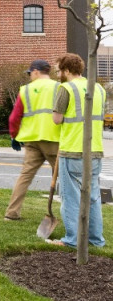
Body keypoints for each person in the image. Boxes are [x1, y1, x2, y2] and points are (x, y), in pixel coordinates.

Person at [48, 53, 106, 247]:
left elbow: (57, 119)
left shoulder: (65, 89)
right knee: (93, 196)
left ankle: (72, 240)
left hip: (72, 150)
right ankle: (96, 240)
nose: (58, 75)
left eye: (59, 71)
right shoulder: (98, 88)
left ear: (66, 71)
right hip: (95, 150)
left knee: (71, 198)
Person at [4, 59, 60, 221]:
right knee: (64, 177)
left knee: (25, 176)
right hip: (52, 139)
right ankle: (73, 215)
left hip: (32, 141)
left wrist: (14, 136)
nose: (29, 76)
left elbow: (14, 117)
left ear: (36, 71)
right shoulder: (59, 88)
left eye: (30, 73)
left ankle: (12, 213)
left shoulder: (25, 90)